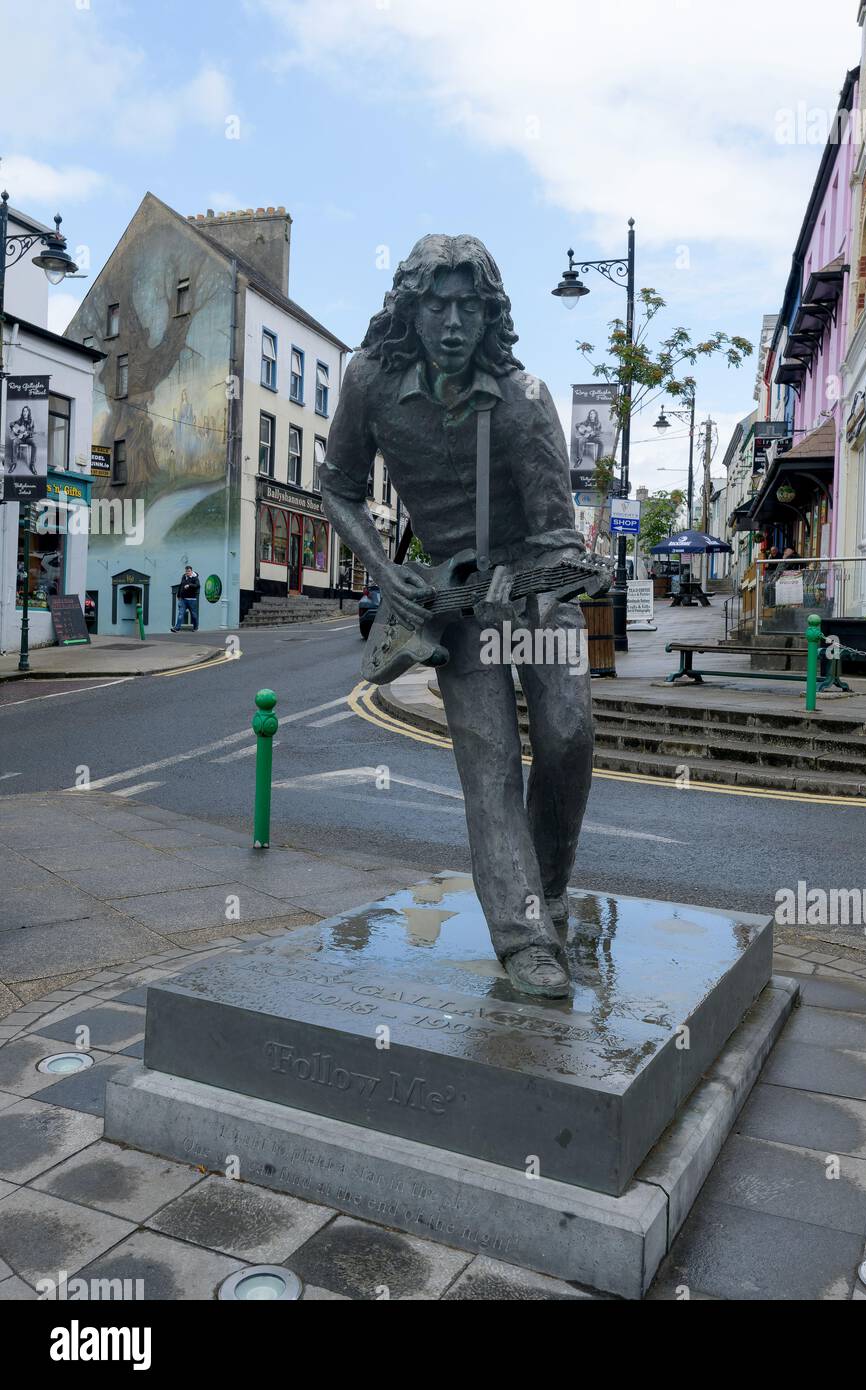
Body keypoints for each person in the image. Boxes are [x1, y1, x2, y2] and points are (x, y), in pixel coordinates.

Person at [322, 233, 594, 999]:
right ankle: (524, 936)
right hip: (448, 604)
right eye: (435, 305)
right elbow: (337, 485)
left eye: (467, 306)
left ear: (489, 315)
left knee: (569, 734)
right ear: (409, 310)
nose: (450, 322)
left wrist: (536, 595)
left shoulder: (523, 401)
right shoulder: (370, 383)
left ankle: (547, 885)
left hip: (535, 587)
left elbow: (557, 539)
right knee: (490, 764)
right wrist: (385, 575)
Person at [172, 565, 200, 631]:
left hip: (192, 600)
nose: (187, 573)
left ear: (191, 571)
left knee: (193, 615)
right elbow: (181, 585)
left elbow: (197, 585)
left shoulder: (195, 578)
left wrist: (189, 585)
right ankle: (177, 628)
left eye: (188, 571)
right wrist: (178, 595)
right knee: (181, 614)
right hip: (183, 599)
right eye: (186, 571)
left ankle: (195, 627)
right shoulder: (184, 576)